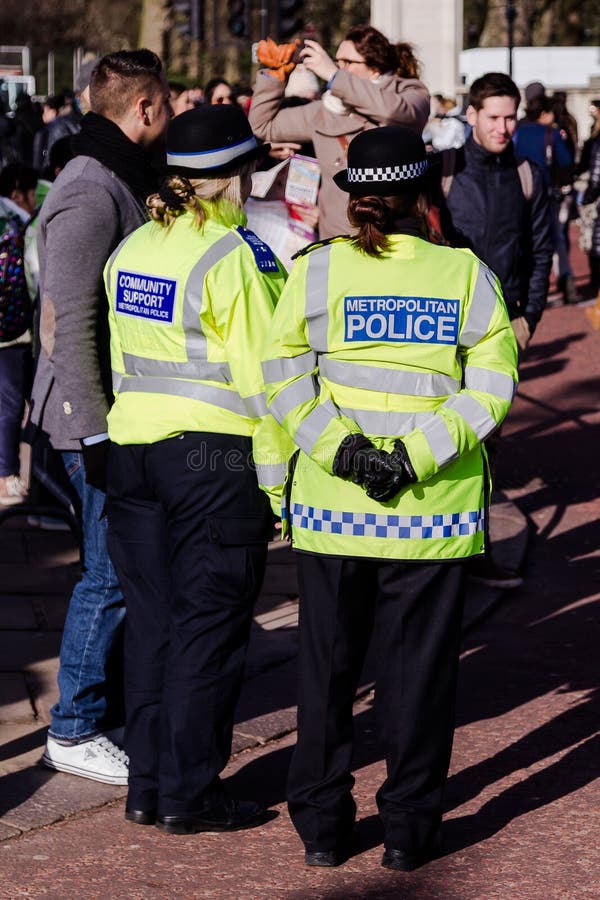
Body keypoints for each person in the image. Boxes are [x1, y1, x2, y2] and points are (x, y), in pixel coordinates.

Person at [262, 125, 518, 870]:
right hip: (429, 514)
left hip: (330, 506)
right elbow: (491, 390)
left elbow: (280, 380)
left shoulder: (314, 273)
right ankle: (407, 830)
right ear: (423, 193)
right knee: (418, 679)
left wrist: (339, 449)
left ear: (352, 197)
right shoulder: (465, 276)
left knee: (327, 672)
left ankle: (321, 828)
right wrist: (412, 457)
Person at [103, 104, 292, 832]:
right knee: (208, 630)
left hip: (134, 455)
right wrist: (278, 485)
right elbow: (264, 378)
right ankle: (191, 794)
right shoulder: (234, 255)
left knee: (152, 626)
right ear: (234, 176)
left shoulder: (134, 248)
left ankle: (148, 786)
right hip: (213, 458)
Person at [28, 49, 173, 784]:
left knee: (111, 564)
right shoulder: (92, 187)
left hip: (111, 409)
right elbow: (67, 319)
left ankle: (98, 707)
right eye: (167, 106)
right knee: (109, 571)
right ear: (145, 108)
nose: (171, 118)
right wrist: (95, 430)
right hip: (93, 415)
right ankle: (75, 726)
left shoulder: (115, 173)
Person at [435, 72, 552, 588]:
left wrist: (531, 317)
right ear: (472, 116)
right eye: (495, 117)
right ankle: (435, 549)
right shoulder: (444, 170)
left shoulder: (529, 173)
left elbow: (543, 249)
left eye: (511, 117)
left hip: (502, 329)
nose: (504, 127)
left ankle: (473, 548)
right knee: (438, 437)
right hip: (442, 330)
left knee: (486, 443)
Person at [249, 25, 430, 239]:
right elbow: (262, 125)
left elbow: (393, 112)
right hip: (338, 237)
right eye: (337, 61)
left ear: (375, 68)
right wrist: (274, 76)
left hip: (395, 236)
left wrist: (335, 76)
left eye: (348, 62)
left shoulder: (408, 92)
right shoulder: (327, 109)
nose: (338, 67)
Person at [513, 94, 575, 303]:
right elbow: (566, 160)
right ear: (545, 113)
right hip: (546, 193)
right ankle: (566, 282)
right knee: (555, 238)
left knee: (524, 238)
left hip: (520, 192)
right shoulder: (553, 133)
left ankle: (525, 288)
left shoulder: (519, 132)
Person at [0, 163, 37, 505]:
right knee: (13, 403)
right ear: (18, 194)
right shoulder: (17, 225)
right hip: (11, 332)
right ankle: (5, 475)